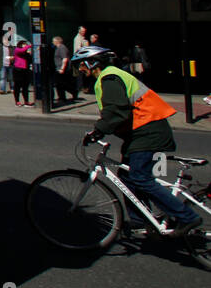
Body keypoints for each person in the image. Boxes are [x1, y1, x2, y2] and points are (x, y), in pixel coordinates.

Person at [77, 44, 202, 235]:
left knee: (139, 177)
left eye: (81, 64)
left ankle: (187, 217)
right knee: (127, 177)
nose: (79, 69)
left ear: (92, 62)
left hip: (148, 131)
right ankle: (141, 221)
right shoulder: (110, 76)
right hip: (141, 132)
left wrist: (97, 131)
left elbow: (117, 110)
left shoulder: (110, 78)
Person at [52, 35, 75, 106]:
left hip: (61, 69)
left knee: (61, 84)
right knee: (60, 84)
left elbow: (65, 59)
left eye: (53, 41)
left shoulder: (62, 48)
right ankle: (62, 97)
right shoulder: (58, 48)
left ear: (57, 41)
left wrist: (62, 68)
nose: (52, 42)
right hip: (58, 68)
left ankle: (64, 97)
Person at [11, 39, 32, 106]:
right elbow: (22, 50)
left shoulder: (26, 53)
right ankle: (17, 101)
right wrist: (30, 45)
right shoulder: (17, 49)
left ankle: (26, 101)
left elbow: (30, 60)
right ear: (20, 44)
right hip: (18, 70)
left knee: (25, 87)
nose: (25, 45)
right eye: (24, 44)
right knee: (17, 86)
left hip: (25, 70)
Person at [0, 23, 16, 94]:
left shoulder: (11, 47)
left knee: (11, 78)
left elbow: (15, 54)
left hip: (11, 64)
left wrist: (13, 58)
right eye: (4, 40)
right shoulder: (0, 47)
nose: (5, 42)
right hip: (3, 64)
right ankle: (2, 89)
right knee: (3, 78)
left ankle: (12, 88)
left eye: (6, 40)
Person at [73, 26, 89, 96]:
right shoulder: (78, 38)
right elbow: (78, 49)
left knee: (82, 73)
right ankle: (80, 87)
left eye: (84, 31)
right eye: (82, 31)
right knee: (80, 74)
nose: (84, 32)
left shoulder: (82, 38)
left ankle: (82, 87)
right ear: (79, 31)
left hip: (82, 58)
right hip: (80, 58)